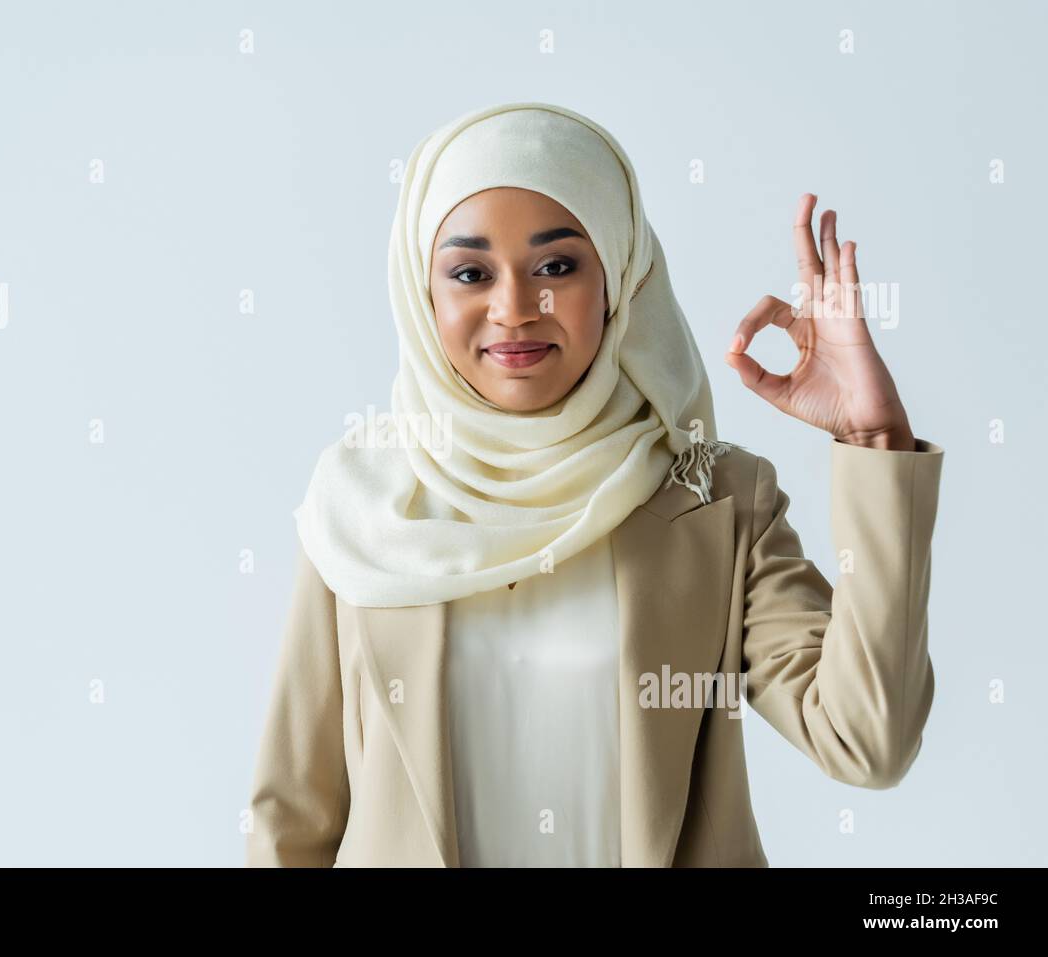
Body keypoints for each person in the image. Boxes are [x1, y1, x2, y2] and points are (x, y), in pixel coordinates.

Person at [246, 101, 944, 867]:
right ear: (424, 296)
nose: (515, 309)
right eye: (470, 272)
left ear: (617, 277)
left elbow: (868, 741)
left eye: (556, 266)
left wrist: (874, 439)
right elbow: (294, 819)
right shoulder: (363, 504)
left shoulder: (713, 499)